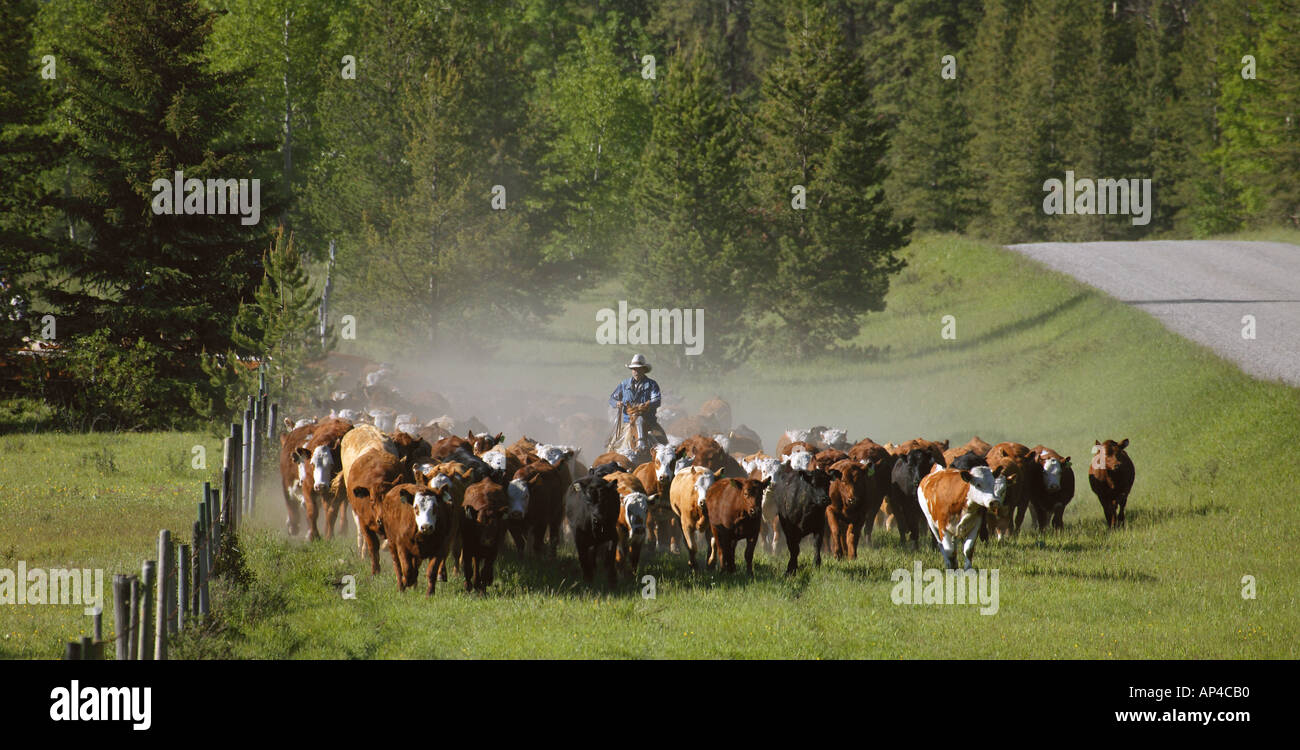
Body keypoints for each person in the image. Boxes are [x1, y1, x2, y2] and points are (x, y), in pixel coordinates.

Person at [607, 353, 667, 453]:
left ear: (644, 370)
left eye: (638, 369)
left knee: (663, 443)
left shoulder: (652, 384)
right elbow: (612, 398)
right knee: (612, 446)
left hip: (648, 422)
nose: (636, 371)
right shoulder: (624, 384)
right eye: (634, 369)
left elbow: (656, 400)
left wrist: (646, 406)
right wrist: (617, 403)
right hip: (628, 422)